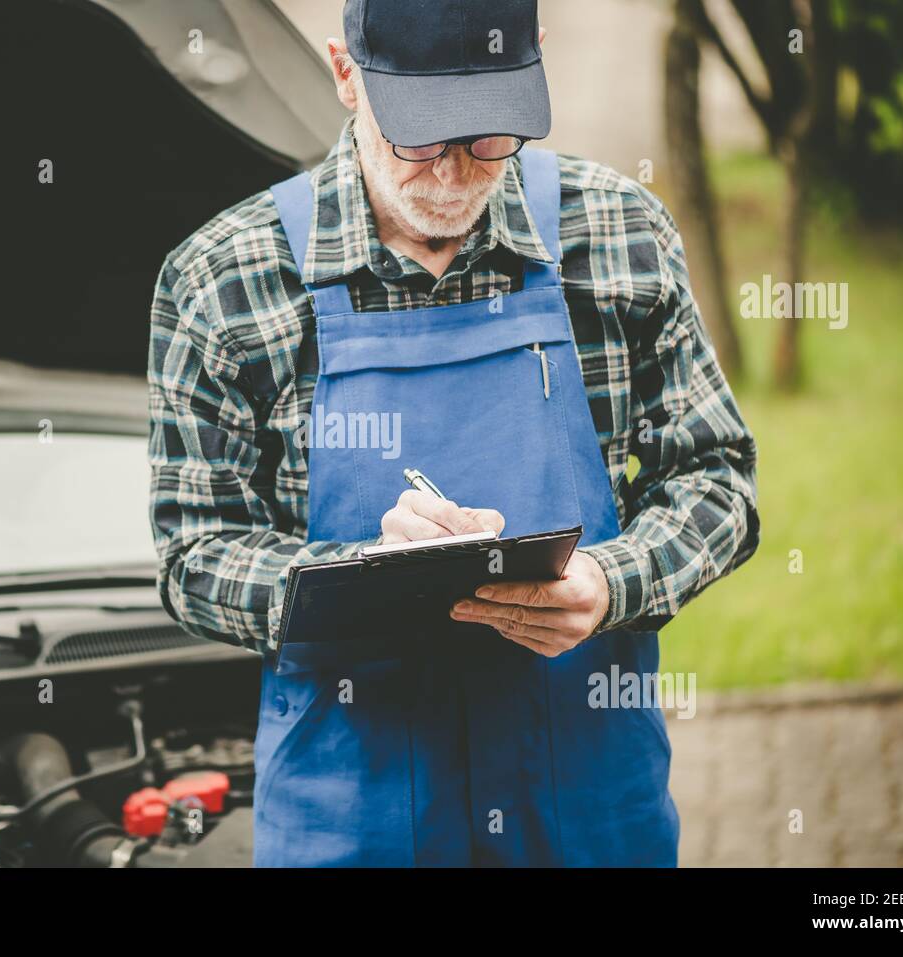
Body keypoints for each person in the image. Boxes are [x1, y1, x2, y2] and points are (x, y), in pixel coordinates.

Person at [148, 0, 759, 866]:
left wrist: (608, 581)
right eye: (420, 138)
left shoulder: (620, 234)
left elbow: (717, 475)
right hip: (351, 815)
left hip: (589, 810)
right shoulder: (224, 280)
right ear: (345, 73)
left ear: (534, 65)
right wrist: (357, 577)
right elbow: (191, 553)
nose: (451, 176)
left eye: (488, 139)